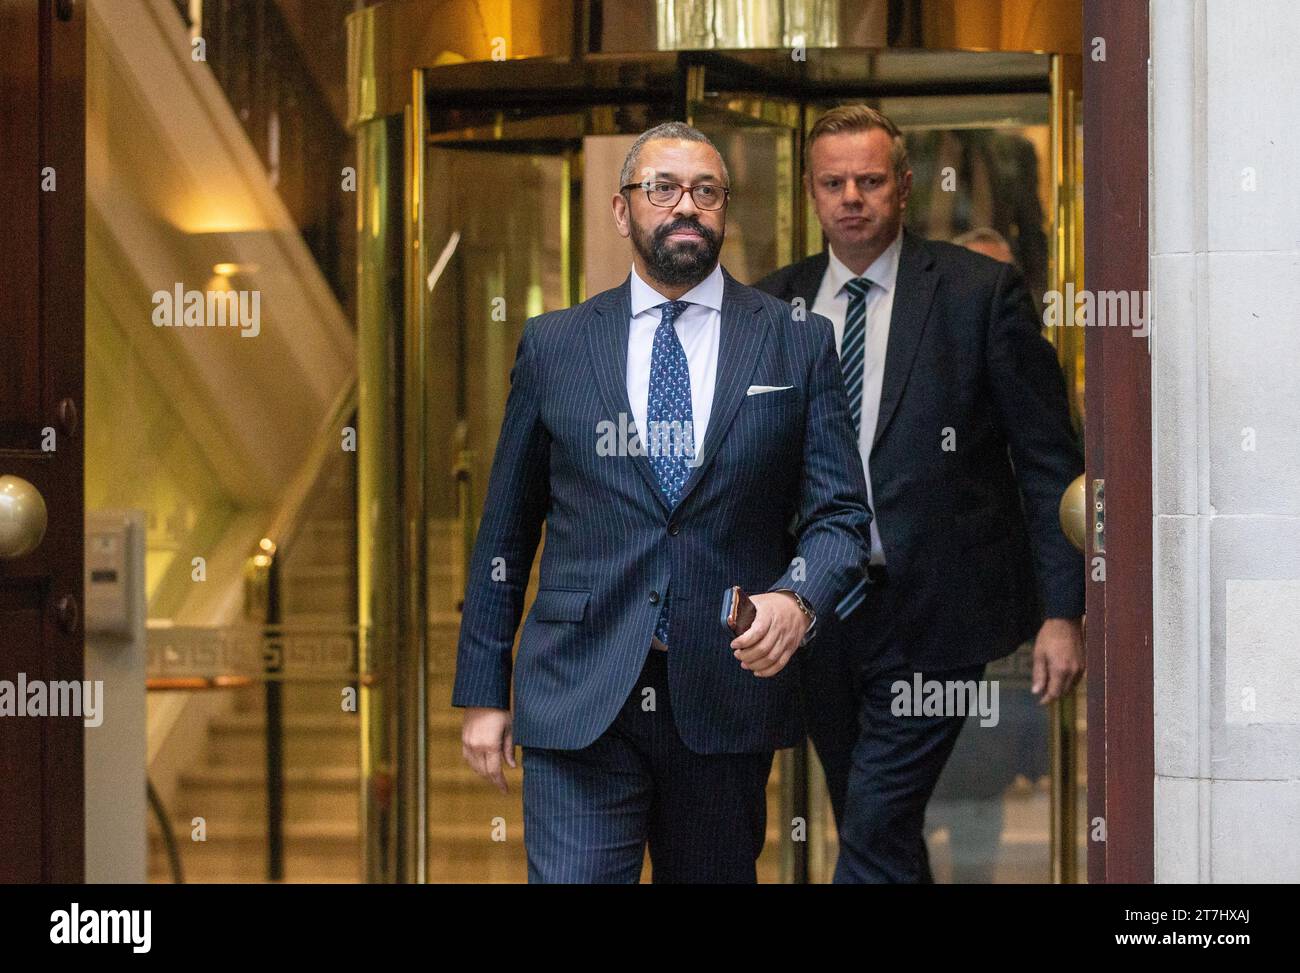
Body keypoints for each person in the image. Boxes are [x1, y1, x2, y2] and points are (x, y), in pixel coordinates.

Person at [453, 121, 872, 883]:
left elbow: (842, 517)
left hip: (723, 695)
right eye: (664, 189)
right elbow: (506, 530)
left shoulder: (795, 341)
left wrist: (798, 601)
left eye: (706, 191)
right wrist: (484, 688)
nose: (687, 206)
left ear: (724, 208)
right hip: (580, 692)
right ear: (623, 210)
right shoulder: (555, 345)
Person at [754, 105, 1085, 883]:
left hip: (935, 613)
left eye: (870, 180)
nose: (852, 198)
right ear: (809, 191)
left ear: (904, 187)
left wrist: (1061, 611)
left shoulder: (978, 292)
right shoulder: (772, 309)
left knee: (871, 820)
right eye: (834, 183)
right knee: (877, 823)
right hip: (817, 613)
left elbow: (1046, 461)